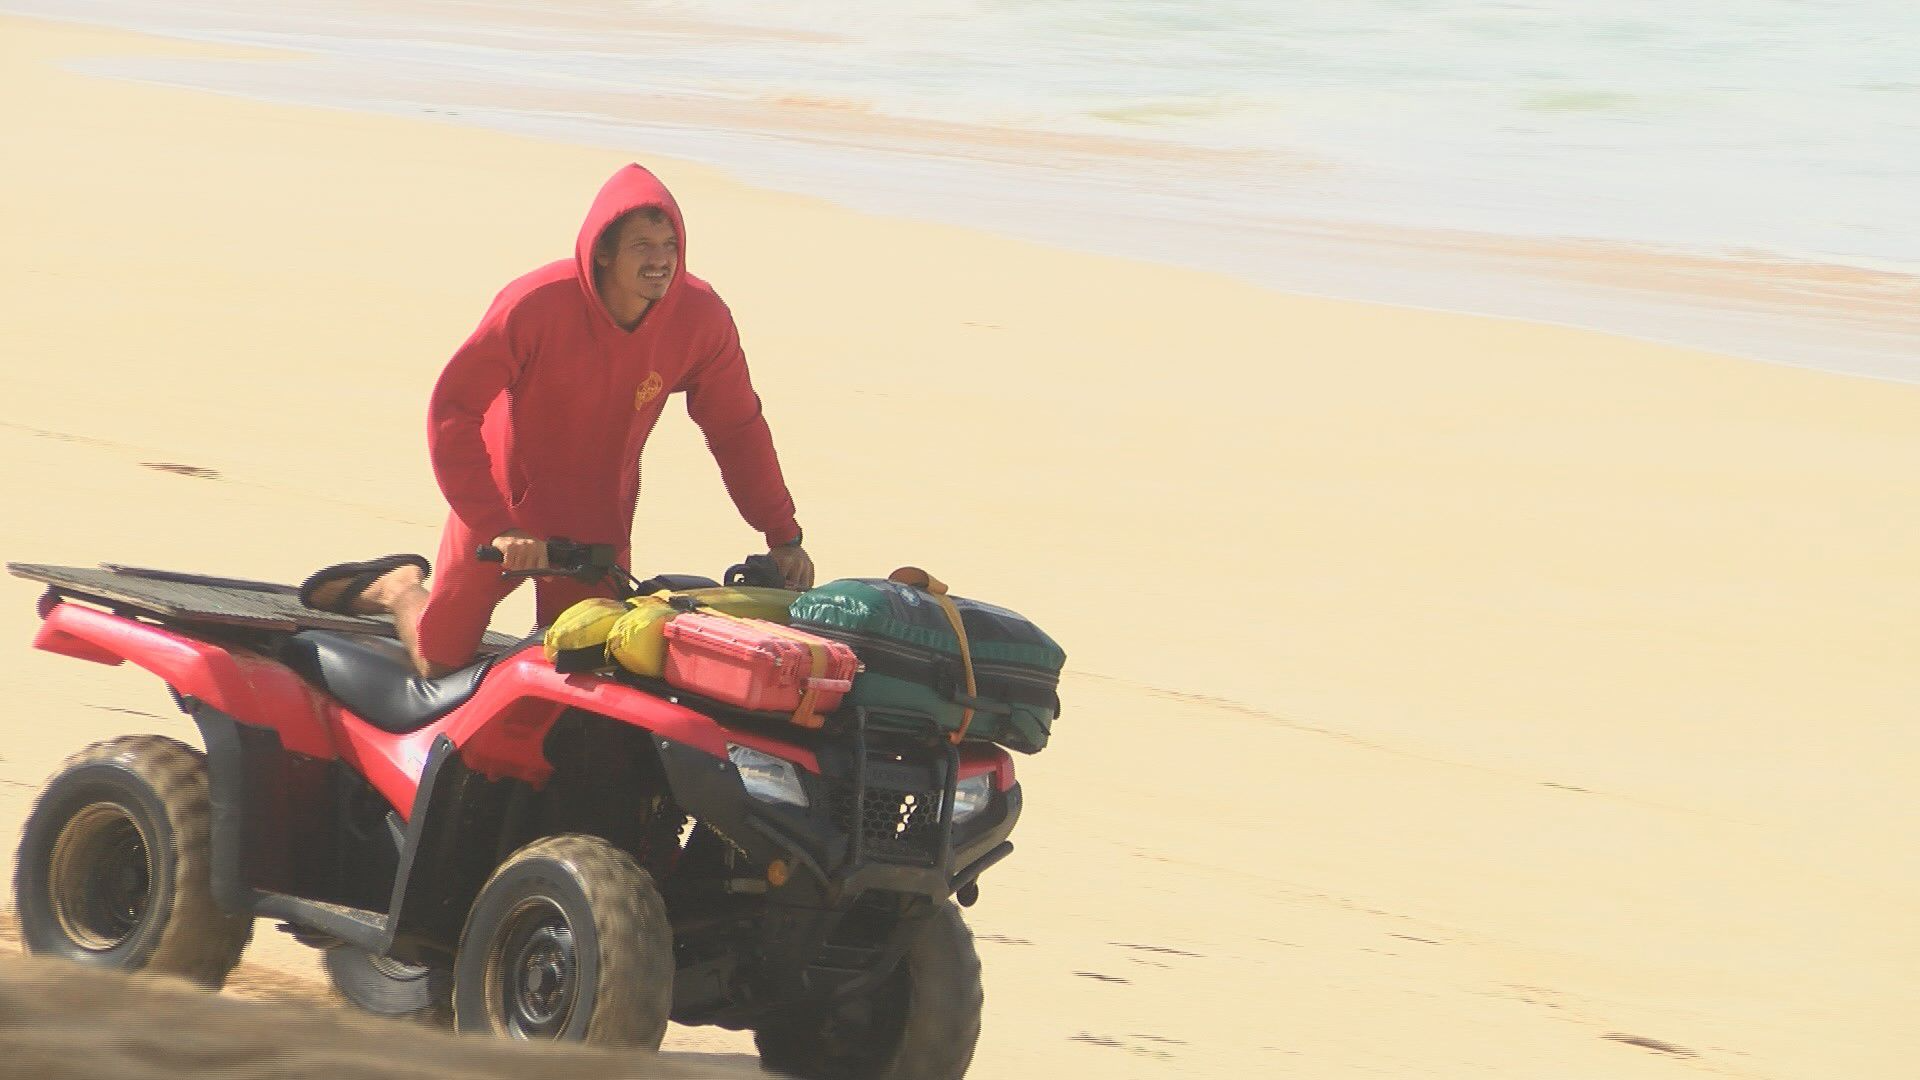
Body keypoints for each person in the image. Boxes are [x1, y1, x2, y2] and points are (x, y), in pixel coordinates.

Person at [299, 163, 813, 677]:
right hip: (503, 507)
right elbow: (454, 410)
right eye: (641, 246)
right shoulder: (536, 303)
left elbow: (737, 429)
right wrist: (495, 524)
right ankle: (399, 588)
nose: (660, 261)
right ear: (603, 252)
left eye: (669, 245)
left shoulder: (700, 319)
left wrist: (781, 534)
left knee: (581, 671)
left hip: (597, 518)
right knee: (438, 661)